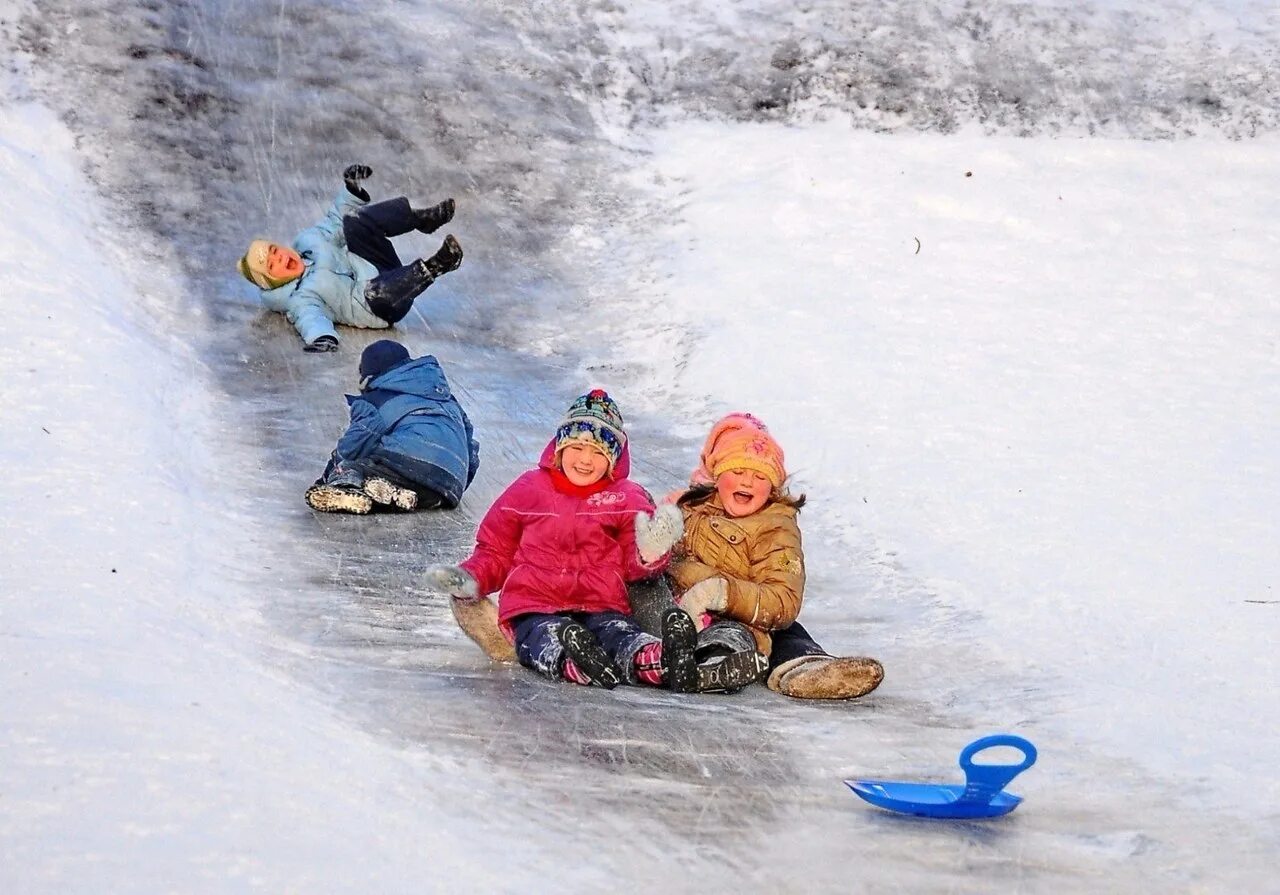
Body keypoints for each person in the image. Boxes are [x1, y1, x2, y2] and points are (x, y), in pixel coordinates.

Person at [424, 390, 759, 692]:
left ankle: (660, 659)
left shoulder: (626, 497)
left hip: (601, 604)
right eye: (577, 448)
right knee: (542, 637)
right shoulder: (528, 489)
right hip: (536, 605)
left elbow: (635, 569)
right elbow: (496, 550)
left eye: (598, 452)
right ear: (560, 447)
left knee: (621, 635)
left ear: (613, 459)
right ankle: (573, 661)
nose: (585, 460)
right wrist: (471, 577)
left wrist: (650, 552)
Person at [668, 412, 885, 700]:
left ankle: (803, 668)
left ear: (773, 486)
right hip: (680, 612)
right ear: (717, 473)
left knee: (774, 631)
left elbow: (783, 598)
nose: (748, 482)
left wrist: (723, 594)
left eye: (760, 476)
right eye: (738, 471)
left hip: (743, 618)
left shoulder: (775, 526)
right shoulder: (689, 508)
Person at [237, 164, 463, 352]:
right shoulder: (300, 297)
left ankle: (423, 219)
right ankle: (439, 265)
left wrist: (351, 189)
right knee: (375, 291)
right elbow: (310, 319)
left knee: (353, 221)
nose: (280, 259)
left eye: (276, 252)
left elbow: (335, 220)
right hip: (379, 304)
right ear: (272, 281)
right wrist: (322, 338)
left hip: (375, 265)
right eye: (272, 265)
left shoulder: (309, 242)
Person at [305, 339, 479, 515]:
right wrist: (456, 482)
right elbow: (471, 449)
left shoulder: (376, 400)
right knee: (390, 482)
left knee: (351, 467)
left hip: (407, 462)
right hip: (449, 483)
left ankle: (344, 486)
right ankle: (398, 496)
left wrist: (329, 473)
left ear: (369, 377)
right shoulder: (448, 400)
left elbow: (354, 445)